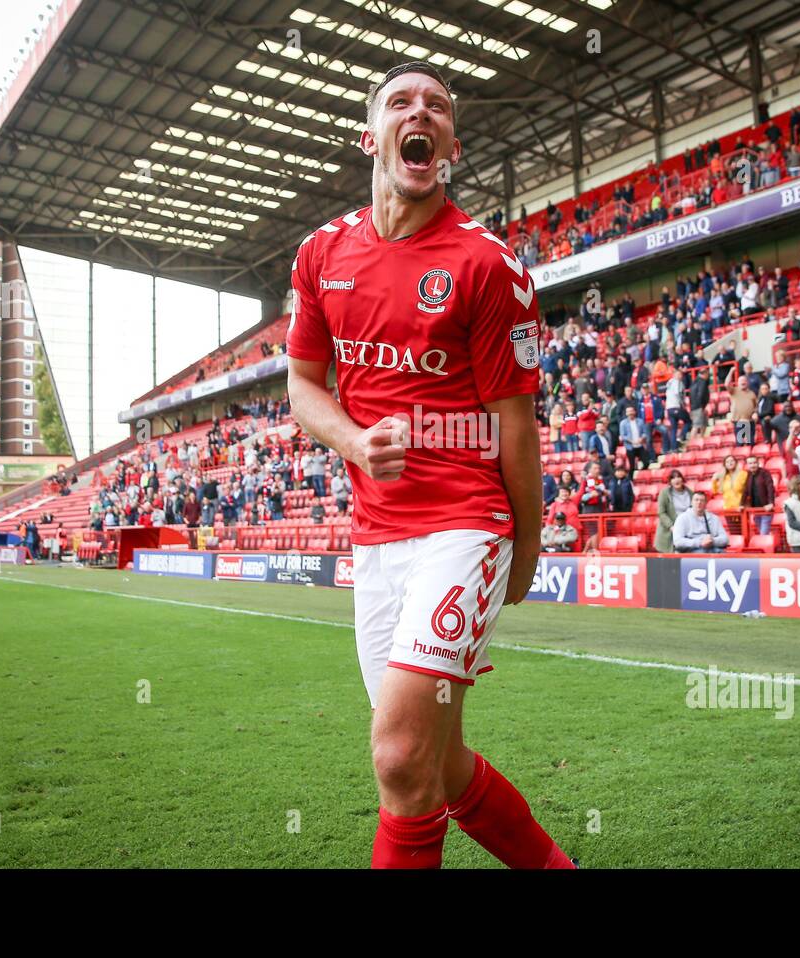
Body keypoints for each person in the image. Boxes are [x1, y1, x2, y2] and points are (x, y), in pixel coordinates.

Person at [285, 61, 575, 869]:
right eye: (402, 103)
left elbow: (516, 425)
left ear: (448, 144)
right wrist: (352, 441)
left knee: (399, 758)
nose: (423, 113)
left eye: (439, 107)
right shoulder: (322, 254)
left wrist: (524, 551)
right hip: (377, 540)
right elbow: (304, 386)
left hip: (465, 524)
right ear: (371, 135)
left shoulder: (486, 264)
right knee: (438, 766)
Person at [653, 469, 691, 553]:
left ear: (682, 479)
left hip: (687, 530)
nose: (676, 480)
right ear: (670, 481)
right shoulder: (664, 493)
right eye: (673, 478)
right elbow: (661, 512)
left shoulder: (690, 492)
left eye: (678, 477)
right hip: (669, 530)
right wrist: (671, 526)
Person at [742, 454, 776, 536]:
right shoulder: (748, 475)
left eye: (754, 463)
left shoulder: (765, 473)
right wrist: (741, 504)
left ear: (758, 463)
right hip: (755, 510)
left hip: (766, 509)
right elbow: (745, 491)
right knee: (763, 532)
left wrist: (771, 503)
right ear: (747, 465)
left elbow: (770, 488)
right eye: (750, 463)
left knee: (763, 534)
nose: (752, 465)